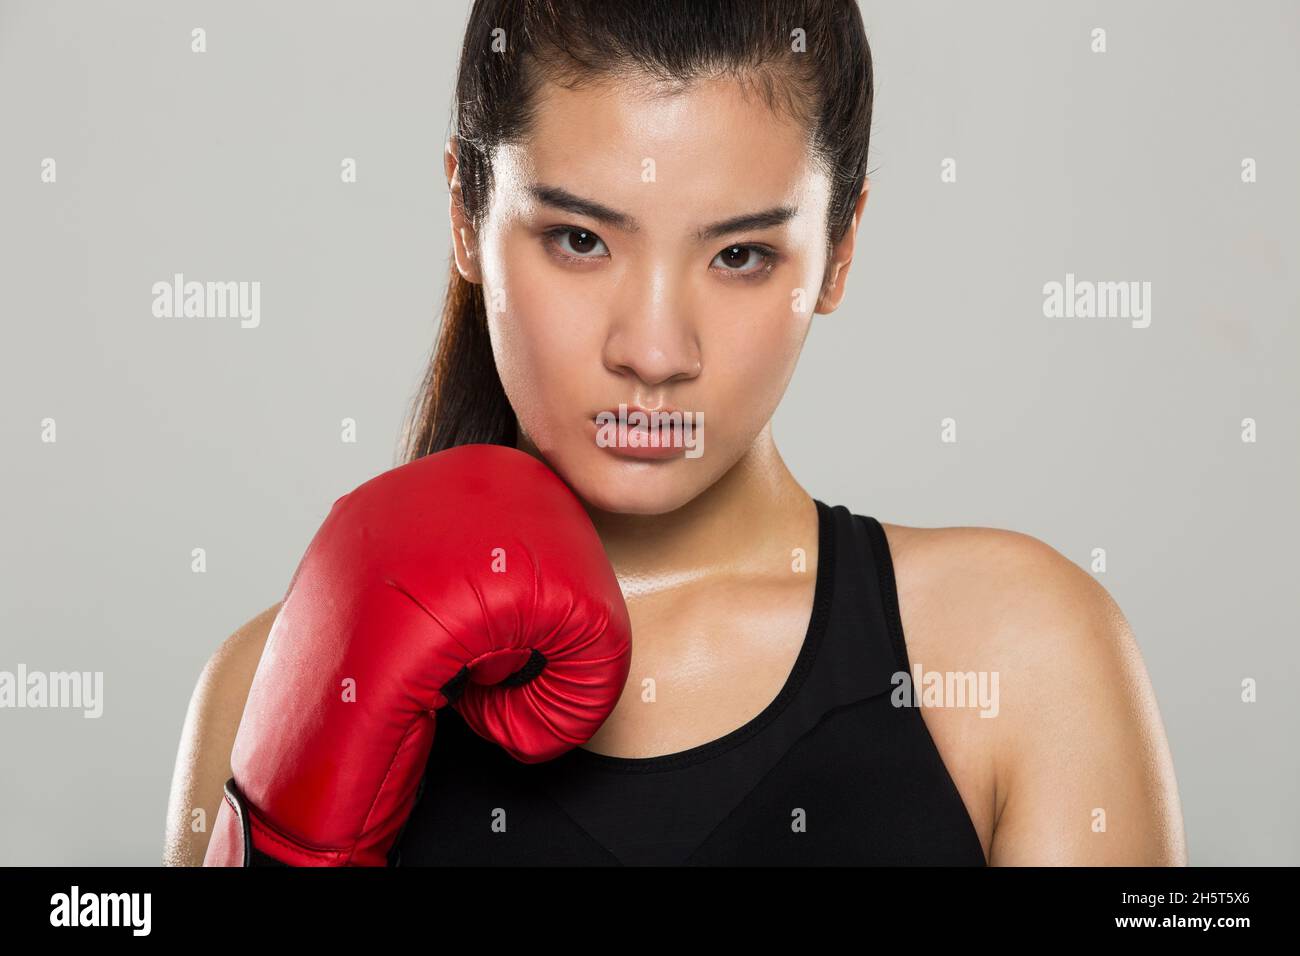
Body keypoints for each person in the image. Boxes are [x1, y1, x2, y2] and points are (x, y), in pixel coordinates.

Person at [164, 0, 1186, 866]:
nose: (654, 351)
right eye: (579, 239)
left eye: (739, 253)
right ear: (464, 213)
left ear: (837, 253)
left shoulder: (1017, 656)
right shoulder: (274, 684)